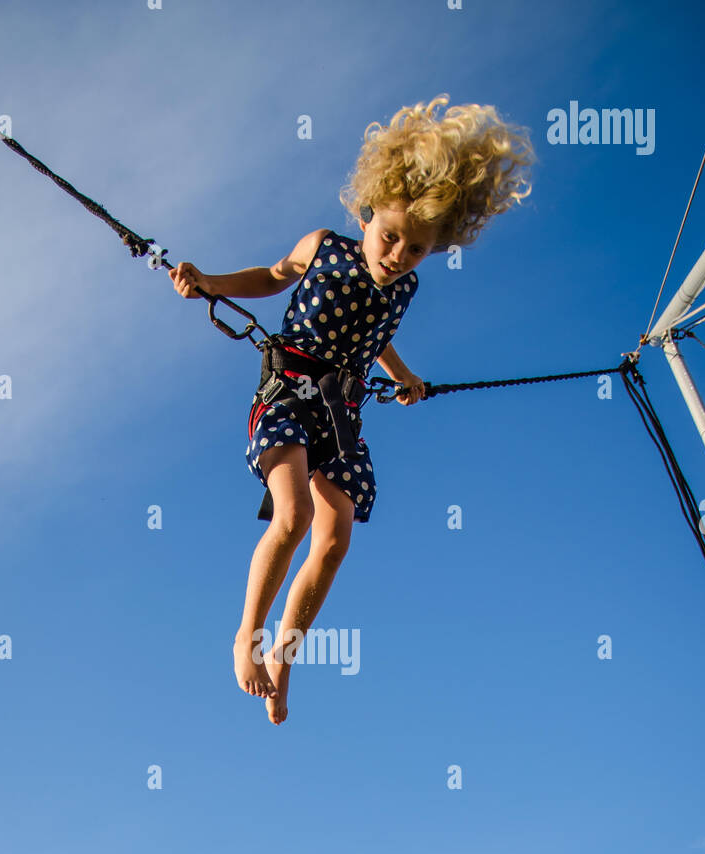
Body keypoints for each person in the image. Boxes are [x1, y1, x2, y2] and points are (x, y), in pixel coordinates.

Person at [170, 95, 533, 723]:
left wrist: (406, 376)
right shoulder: (325, 246)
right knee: (293, 516)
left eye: (415, 248)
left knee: (334, 540)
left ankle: (285, 657)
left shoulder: (406, 286)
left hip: (342, 411)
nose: (396, 254)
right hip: (289, 386)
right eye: (390, 236)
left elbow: (376, 332)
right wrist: (212, 283)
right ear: (367, 213)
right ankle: (247, 637)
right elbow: (273, 275)